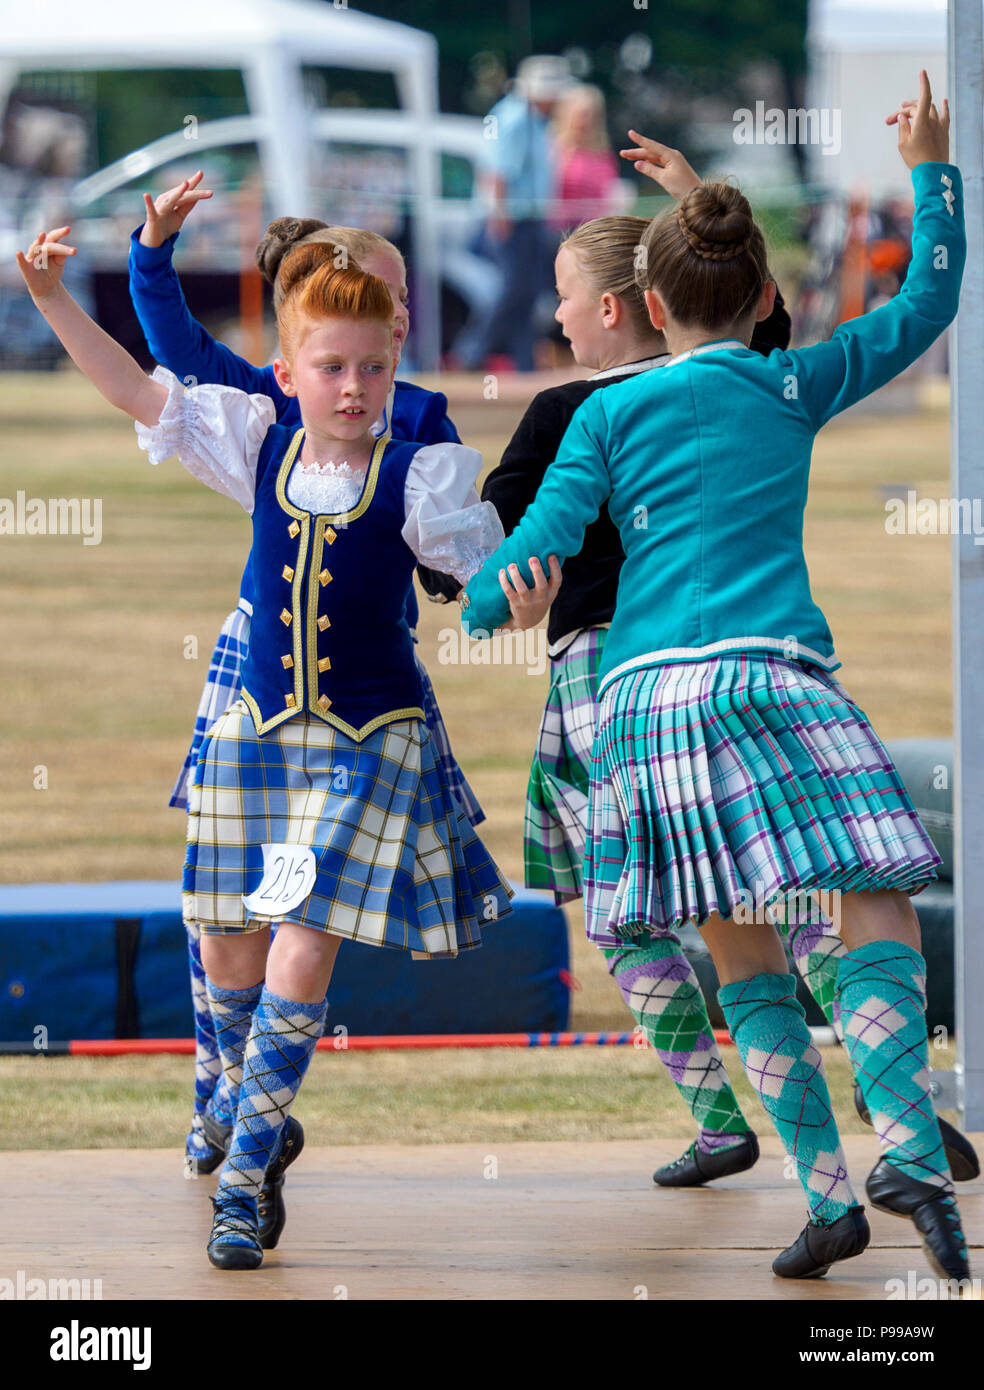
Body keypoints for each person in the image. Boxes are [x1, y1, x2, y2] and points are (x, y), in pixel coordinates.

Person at [458, 73, 971, 1281]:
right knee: (875, 889)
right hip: (770, 679)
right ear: (761, 299)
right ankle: (905, 1139)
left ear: (643, 304)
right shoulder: (792, 381)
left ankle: (827, 1198)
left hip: (642, 713)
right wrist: (930, 171)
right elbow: (930, 296)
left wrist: (500, 599)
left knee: (741, 955)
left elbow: (508, 575)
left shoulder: (604, 415)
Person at [18, 227, 522, 1270]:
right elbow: (133, 387)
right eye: (331, 368)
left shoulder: (422, 475)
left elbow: (488, 581)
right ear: (286, 373)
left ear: (395, 364)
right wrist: (53, 298)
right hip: (256, 730)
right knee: (224, 940)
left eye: (373, 368)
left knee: (302, 938)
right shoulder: (254, 441)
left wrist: (523, 591)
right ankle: (232, 1108)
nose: (354, 388)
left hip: (369, 739)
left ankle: (242, 1182)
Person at [127, 175, 486, 1183]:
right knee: (221, 902)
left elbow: (447, 558)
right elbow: (169, 347)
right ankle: (218, 1087)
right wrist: (150, 250)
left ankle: (243, 1114)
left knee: (295, 914)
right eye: (378, 283)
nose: (393, 307)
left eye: (401, 299)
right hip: (258, 666)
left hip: (362, 685)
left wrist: (467, 573)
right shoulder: (274, 399)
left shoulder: (417, 417)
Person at [458, 54, 573, 372]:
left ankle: (524, 361)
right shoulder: (515, 119)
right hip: (512, 219)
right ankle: (471, 352)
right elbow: (496, 173)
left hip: (527, 218)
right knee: (513, 290)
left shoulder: (530, 119)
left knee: (525, 293)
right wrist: (500, 218)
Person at [548, 84, 625, 232]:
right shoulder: (552, 149)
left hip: (592, 231)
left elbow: (607, 193)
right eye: (580, 114)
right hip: (558, 231)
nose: (585, 120)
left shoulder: (602, 153)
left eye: (590, 115)